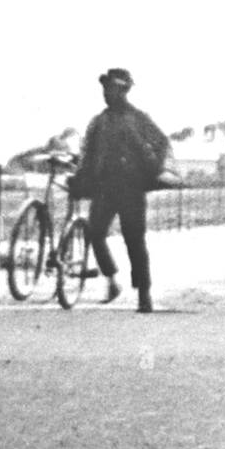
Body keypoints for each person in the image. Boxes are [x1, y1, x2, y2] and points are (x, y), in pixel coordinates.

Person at [76, 68, 170, 313]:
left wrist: (152, 172)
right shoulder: (99, 121)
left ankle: (144, 294)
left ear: (124, 90)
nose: (108, 93)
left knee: (134, 241)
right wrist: (81, 179)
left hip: (132, 188)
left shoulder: (138, 118)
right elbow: (87, 155)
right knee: (94, 233)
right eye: (106, 89)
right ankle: (110, 279)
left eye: (113, 88)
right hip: (104, 188)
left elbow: (161, 143)